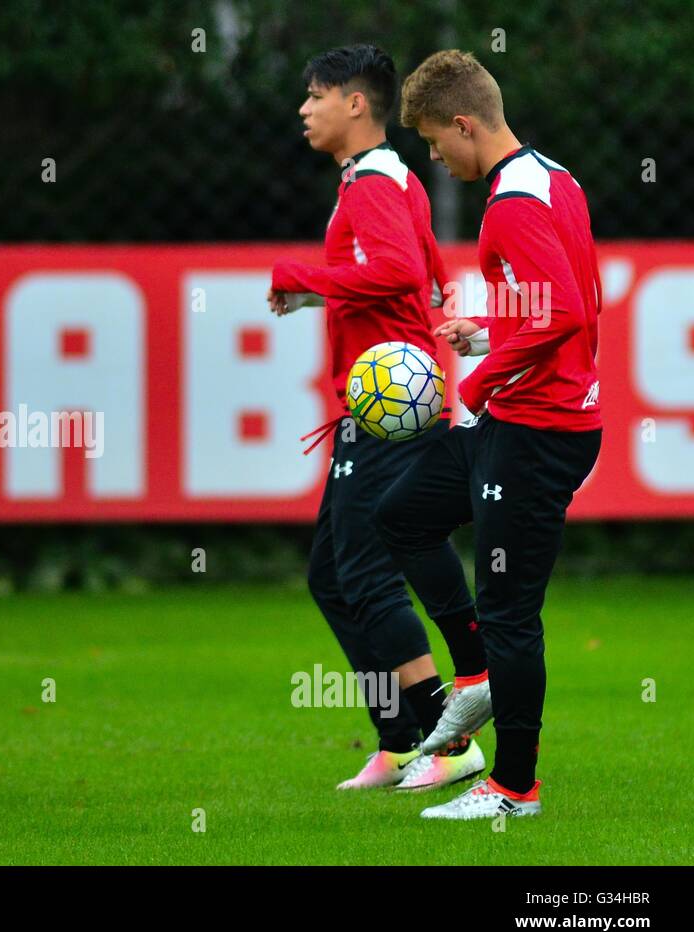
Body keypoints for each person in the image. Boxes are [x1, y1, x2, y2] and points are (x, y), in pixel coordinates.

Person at [377, 50, 601, 818]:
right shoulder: (552, 177)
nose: (435, 158)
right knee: (402, 513)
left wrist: (476, 378)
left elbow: (566, 314)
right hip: (520, 414)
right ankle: (471, 681)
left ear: (465, 123)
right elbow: (560, 302)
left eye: (437, 143)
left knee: (509, 609)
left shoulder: (510, 205)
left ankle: (514, 788)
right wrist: (493, 331)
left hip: (538, 429)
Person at [268, 45, 482, 791]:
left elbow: (394, 272)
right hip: (386, 403)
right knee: (332, 576)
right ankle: (399, 741)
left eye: (316, 93)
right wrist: (322, 295)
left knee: (363, 572)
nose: (305, 108)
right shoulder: (389, 178)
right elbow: (422, 276)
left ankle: (447, 741)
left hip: (390, 412)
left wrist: (301, 276)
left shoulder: (373, 183)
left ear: (355, 104)